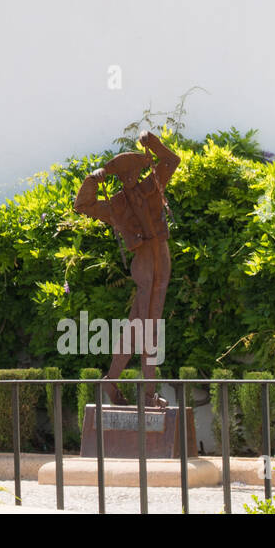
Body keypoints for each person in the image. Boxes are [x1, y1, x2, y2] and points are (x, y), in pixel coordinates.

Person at [73, 130, 179, 407]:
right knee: (150, 325)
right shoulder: (117, 205)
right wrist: (92, 180)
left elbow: (172, 161)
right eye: (124, 175)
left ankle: (111, 382)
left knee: (136, 327)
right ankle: (148, 394)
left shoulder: (152, 187)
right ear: (119, 178)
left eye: (133, 172)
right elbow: (82, 205)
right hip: (145, 262)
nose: (130, 178)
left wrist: (153, 143)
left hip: (162, 260)